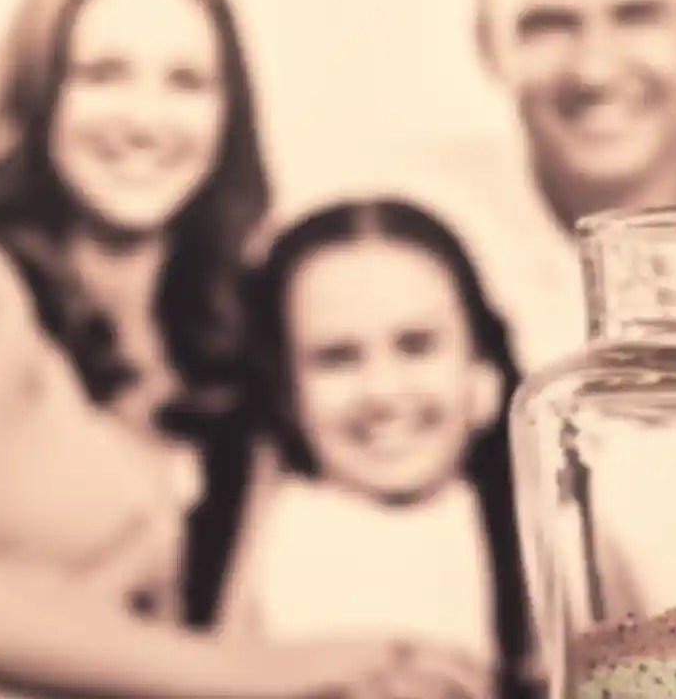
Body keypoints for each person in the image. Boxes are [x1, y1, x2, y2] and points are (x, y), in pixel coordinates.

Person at [0, 0, 406, 694]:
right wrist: (257, 674)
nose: (145, 119)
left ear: (227, 114)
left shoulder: (232, 331)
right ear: (41, 93)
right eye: (102, 74)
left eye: (186, 82)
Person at [221, 199, 536, 699]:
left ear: (483, 369)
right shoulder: (241, 545)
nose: (383, 393)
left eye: (416, 346)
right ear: (284, 391)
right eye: (336, 358)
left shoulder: (543, 548)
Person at [411, 0, 676, 374]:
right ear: (487, 45)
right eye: (549, 25)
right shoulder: (411, 251)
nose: (595, 71)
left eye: (635, 16)